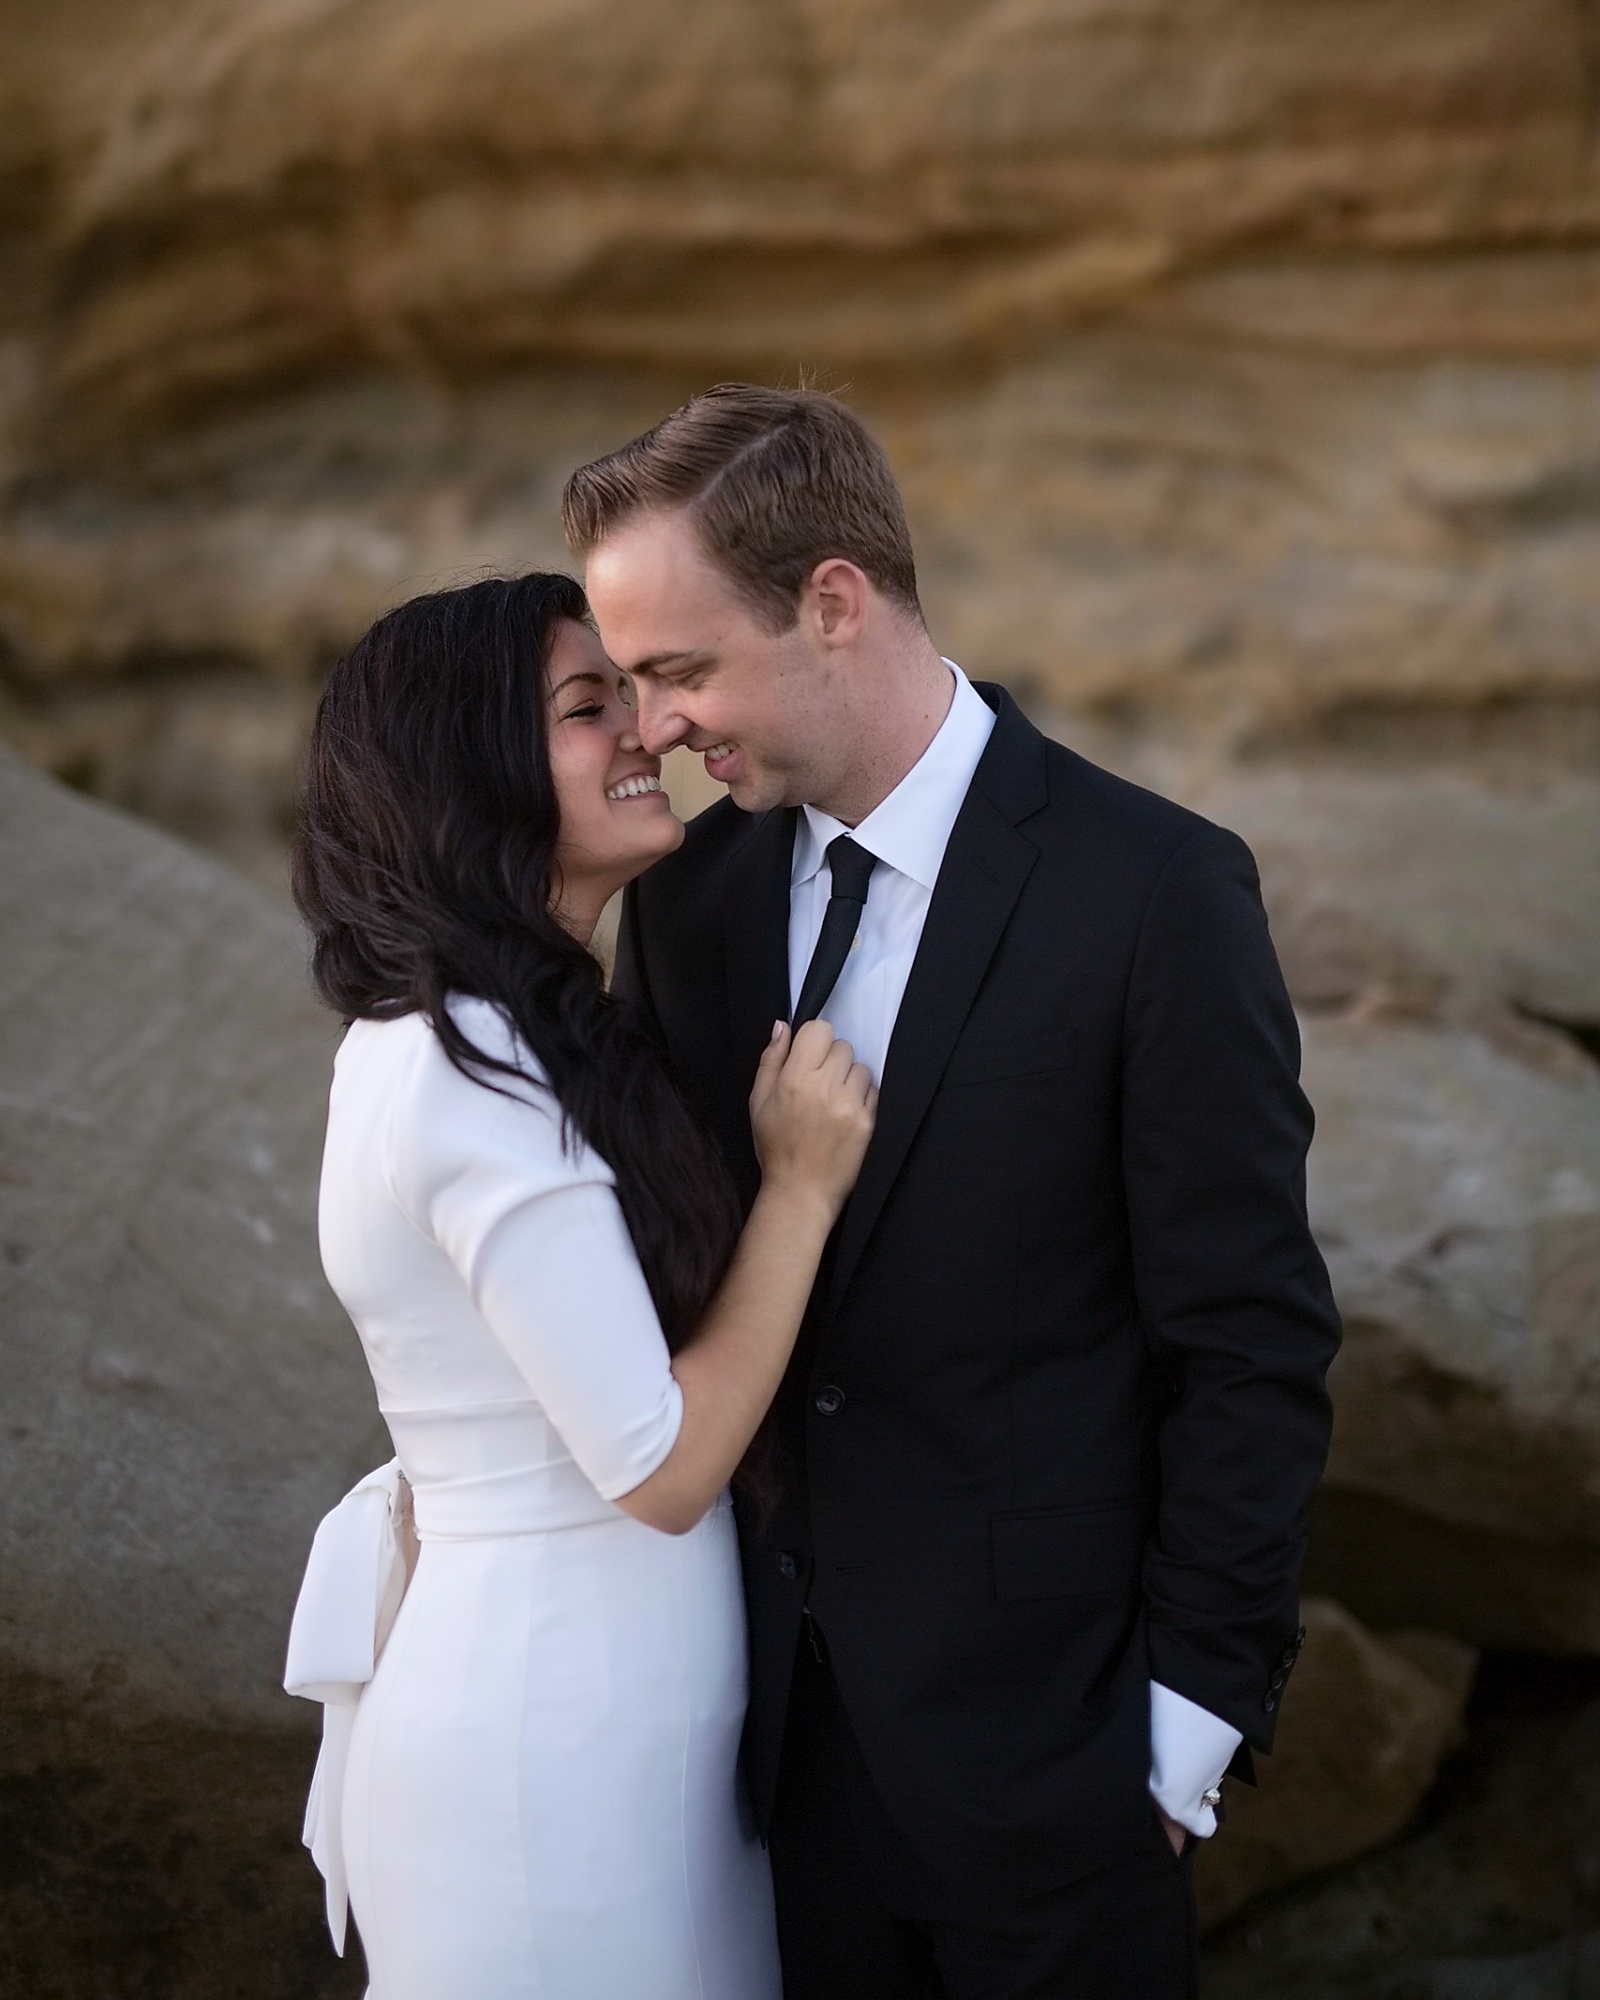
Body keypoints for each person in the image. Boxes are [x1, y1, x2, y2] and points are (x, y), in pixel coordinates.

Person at [565, 385, 1343, 1999]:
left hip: (1066, 1779)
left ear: (833, 602)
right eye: (628, 686)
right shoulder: (690, 907)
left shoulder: (1156, 892)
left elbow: (1250, 1341)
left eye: (680, 670)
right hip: (764, 1777)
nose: (655, 730)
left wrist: (1183, 1733)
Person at [284, 573, 876, 2000]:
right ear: (469, 767)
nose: (646, 732)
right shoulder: (466, 1067)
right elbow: (657, 1465)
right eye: (585, 706)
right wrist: (801, 1190)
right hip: (544, 1756)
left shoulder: (498, 1035)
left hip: (618, 1729)